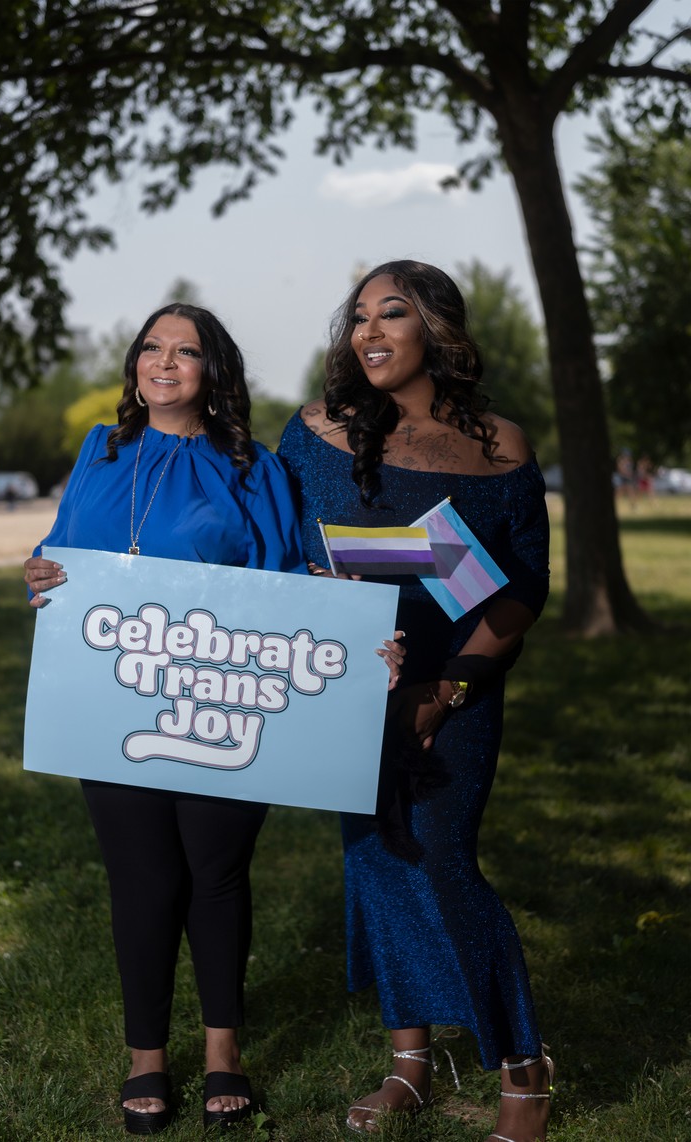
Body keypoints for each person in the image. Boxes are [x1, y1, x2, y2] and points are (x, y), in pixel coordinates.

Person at [276, 261, 552, 1142]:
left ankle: (522, 1061)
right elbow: (273, 549)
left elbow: (520, 589)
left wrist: (448, 689)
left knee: (442, 859)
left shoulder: (501, 445)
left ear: (437, 329)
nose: (369, 331)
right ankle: (409, 1064)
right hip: (350, 691)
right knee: (376, 861)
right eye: (358, 317)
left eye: (391, 313)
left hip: (458, 688)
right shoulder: (314, 433)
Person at [23, 304, 316, 1133]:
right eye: (152, 347)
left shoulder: (256, 468)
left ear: (213, 372)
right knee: (143, 881)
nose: (164, 362)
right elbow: (60, 547)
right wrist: (38, 571)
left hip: (219, 704)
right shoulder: (99, 449)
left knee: (216, 878)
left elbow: (284, 580)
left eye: (186, 352)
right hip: (111, 696)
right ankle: (146, 1057)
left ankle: (224, 1053)